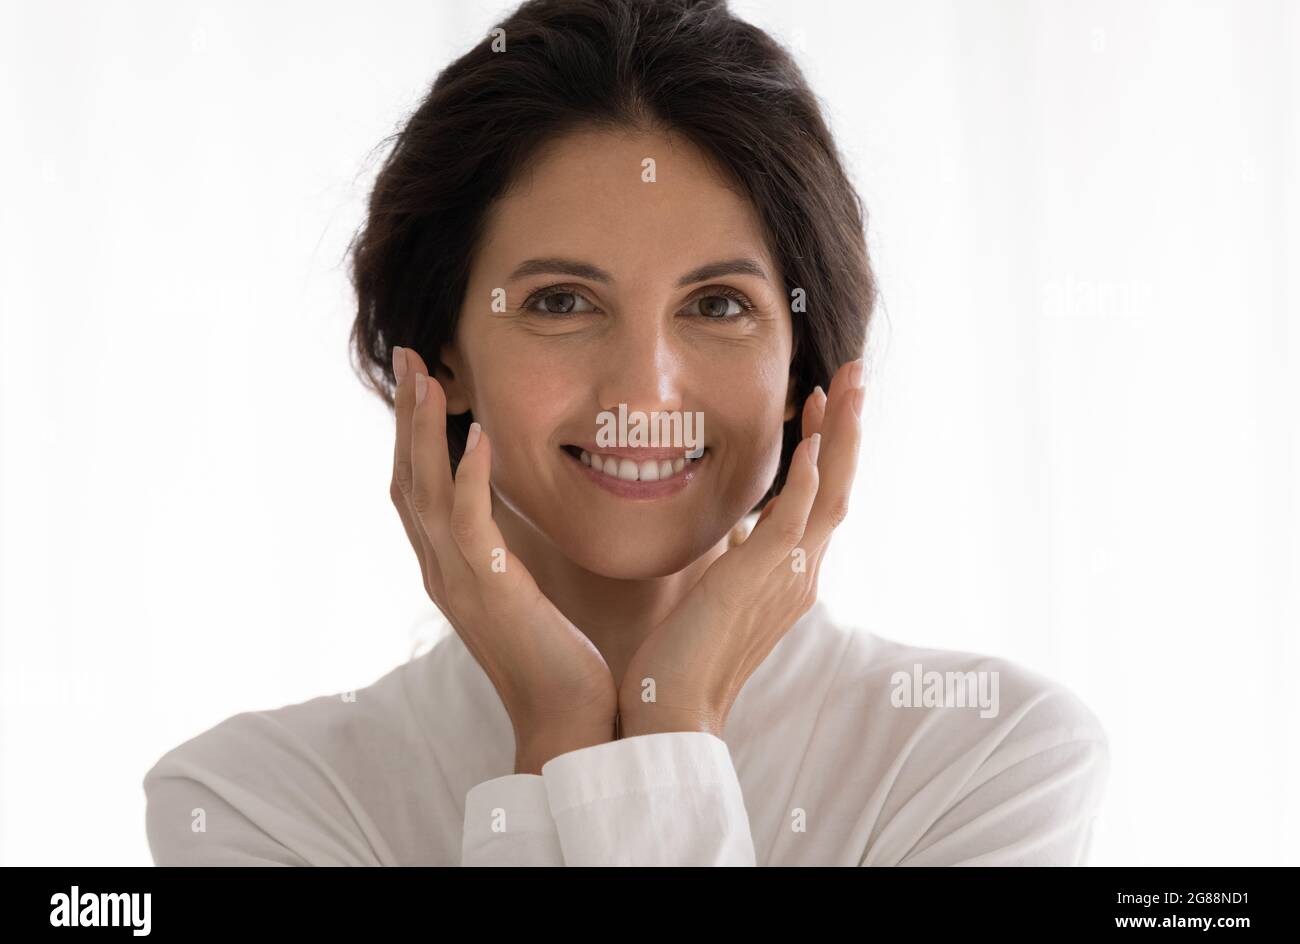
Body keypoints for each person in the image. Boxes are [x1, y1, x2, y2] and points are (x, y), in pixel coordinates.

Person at [143, 0, 1108, 866]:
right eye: (561, 301)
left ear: (800, 370)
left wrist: (666, 728)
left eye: (719, 305)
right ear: (444, 357)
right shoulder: (256, 804)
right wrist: (559, 727)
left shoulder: (991, 761)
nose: (644, 396)